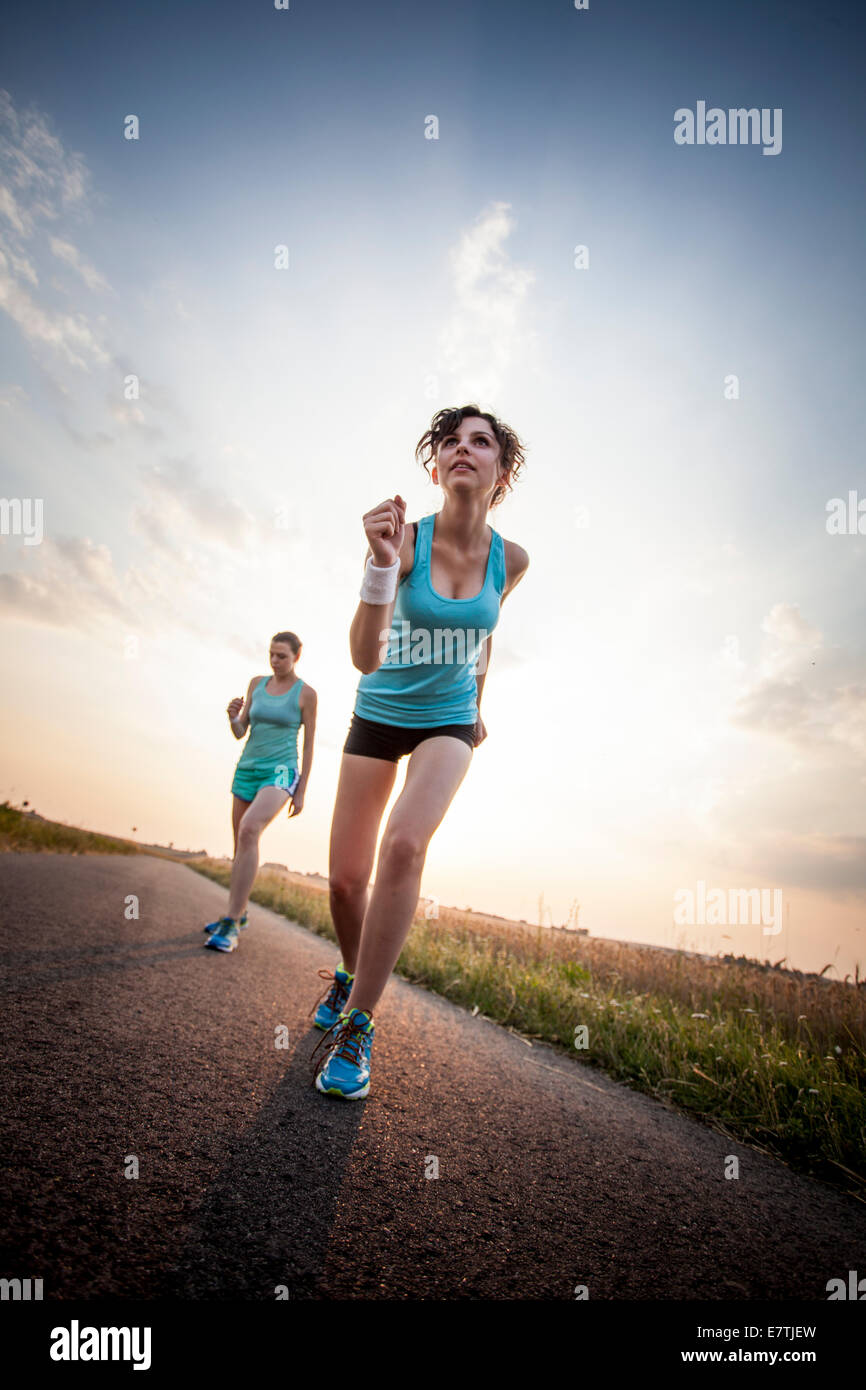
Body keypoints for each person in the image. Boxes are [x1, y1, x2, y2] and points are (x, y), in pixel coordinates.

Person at [311, 405, 529, 1098]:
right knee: (346, 882)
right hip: (379, 711)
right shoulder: (404, 542)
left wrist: (481, 702)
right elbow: (363, 657)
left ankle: (358, 1025)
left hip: (449, 719)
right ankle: (352, 974)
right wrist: (380, 567)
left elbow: (485, 632)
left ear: (501, 470)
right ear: (436, 467)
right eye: (450, 441)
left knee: (404, 847)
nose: (462, 449)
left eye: (479, 441)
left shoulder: (512, 559)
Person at [204, 631, 317, 953]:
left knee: (250, 828)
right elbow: (241, 731)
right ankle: (237, 914)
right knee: (240, 845)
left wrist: (302, 789)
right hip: (248, 767)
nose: (275, 661)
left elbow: (309, 745)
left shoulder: (306, 694)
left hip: (281, 770)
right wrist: (232, 717)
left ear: (296, 657)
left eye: (282, 655)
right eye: (271, 654)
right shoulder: (256, 683)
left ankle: (231, 924)